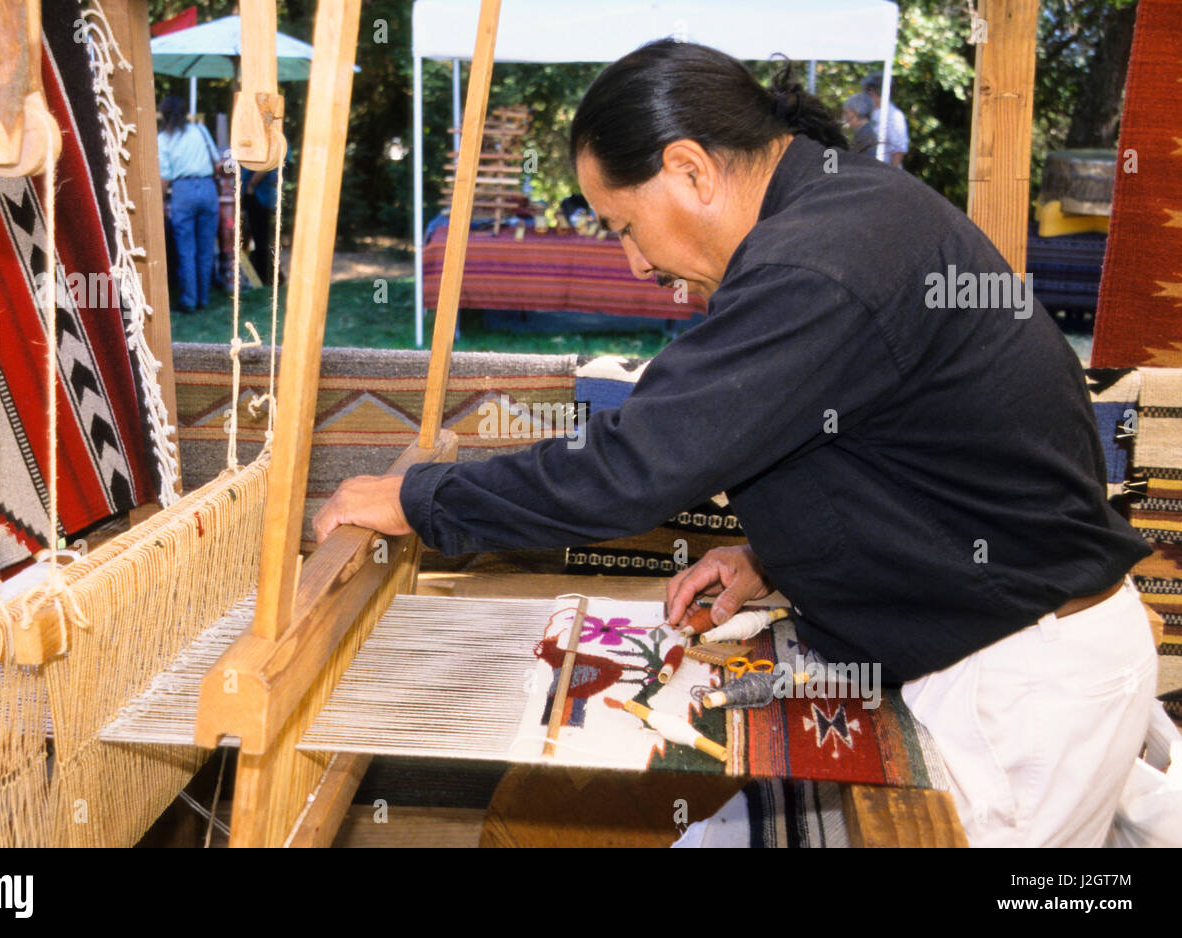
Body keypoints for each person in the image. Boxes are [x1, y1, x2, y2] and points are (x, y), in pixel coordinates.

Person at [311, 40, 1156, 847]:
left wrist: (415, 501)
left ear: (690, 168)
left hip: (1015, 692)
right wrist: (779, 555)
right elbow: (909, 447)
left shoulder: (813, 264)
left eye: (624, 226)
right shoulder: (842, 211)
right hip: (984, 648)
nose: (634, 263)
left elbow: (629, 469)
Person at [157, 96, 224, 312]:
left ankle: (188, 300)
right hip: (207, 188)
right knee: (205, 248)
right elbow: (217, 162)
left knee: (186, 249)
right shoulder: (200, 131)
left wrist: (160, 201)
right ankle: (203, 298)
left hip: (183, 190)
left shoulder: (163, 139)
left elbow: (164, 177)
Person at [240, 164, 283, 283]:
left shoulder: (265, 149)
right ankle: (265, 276)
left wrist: (251, 186)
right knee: (259, 239)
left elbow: (265, 166)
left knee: (261, 240)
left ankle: (269, 277)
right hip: (259, 197)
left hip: (259, 197)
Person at [860, 72, 909, 167]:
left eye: (865, 92)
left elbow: (898, 150)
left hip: (884, 172)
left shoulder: (893, 115)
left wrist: (891, 177)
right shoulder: (869, 111)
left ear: (872, 92)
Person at [842, 92, 878, 157]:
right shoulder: (862, 132)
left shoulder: (866, 136)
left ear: (858, 112)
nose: (845, 117)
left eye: (847, 113)